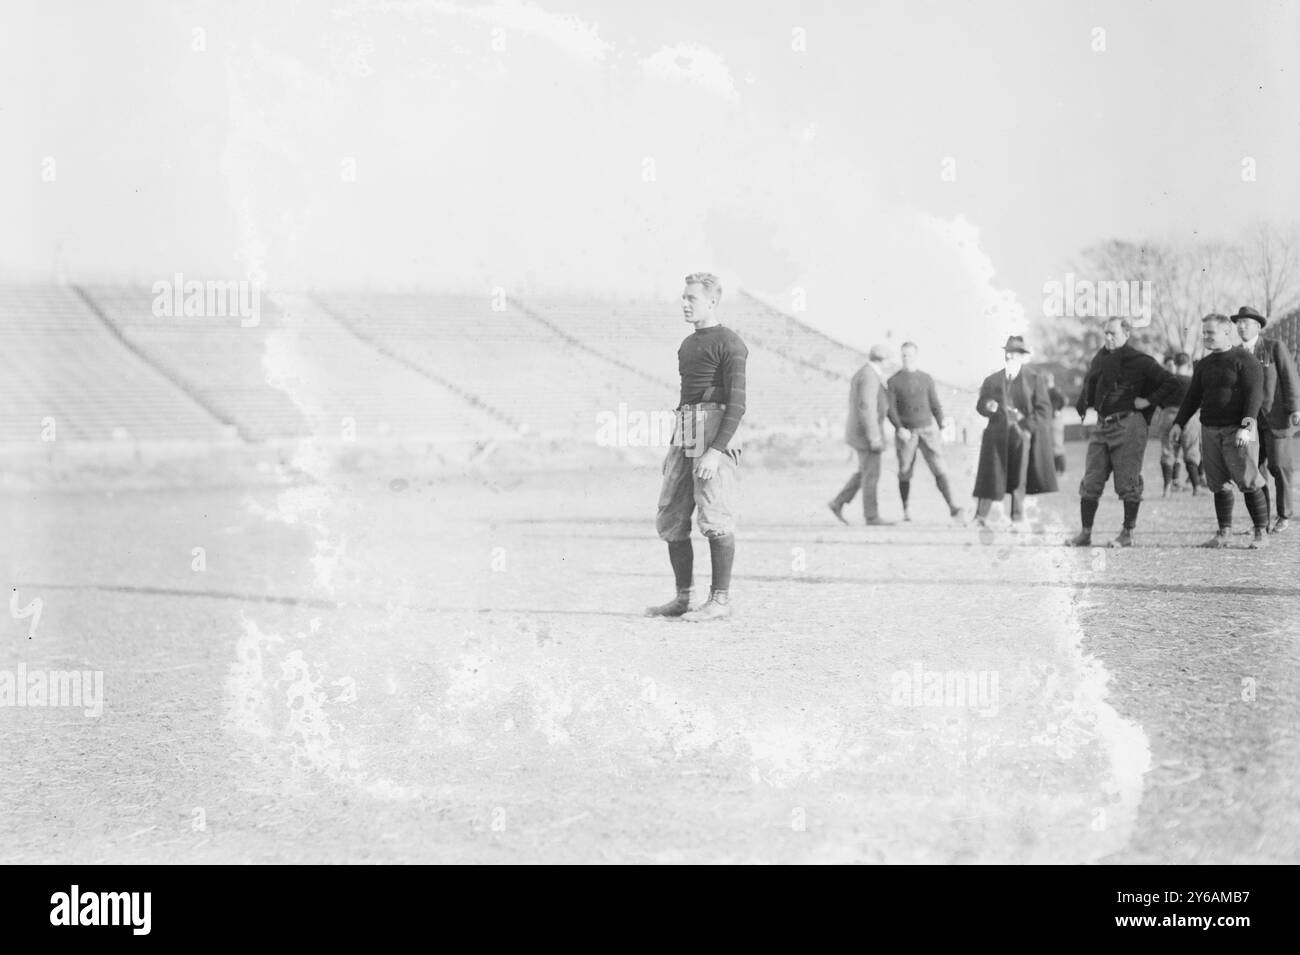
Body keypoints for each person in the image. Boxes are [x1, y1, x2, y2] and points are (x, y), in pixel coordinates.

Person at [646, 272, 748, 621]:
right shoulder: (688, 345)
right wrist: (675, 446)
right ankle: (683, 598)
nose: (685, 304)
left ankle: (719, 601)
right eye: (684, 297)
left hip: (714, 429)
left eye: (692, 298)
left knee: (715, 516)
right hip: (686, 428)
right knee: (671, 516)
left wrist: (715, 451)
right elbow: (686, 398)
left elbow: (737, 404)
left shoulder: (730, 343)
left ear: (712, 301)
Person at [1066, 317, 1180, 547]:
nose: (1108, 338)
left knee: (1128, 482)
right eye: (1106, 333)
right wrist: (1083, 405)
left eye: (1113, 334)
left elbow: (1171, 381)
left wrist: (1148, 401)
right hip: (1101, 425)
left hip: (1129, 426)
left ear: (1126, 334)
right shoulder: (1100, 358)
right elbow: (1090, 384)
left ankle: (1127, 533)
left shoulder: (1140, 360)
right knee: (1091, 481)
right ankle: (1085, 533)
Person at [1169, 313, 1268, 548]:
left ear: (1226, 331)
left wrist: (1247, 426)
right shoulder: (1203, 364)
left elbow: (1254, 396)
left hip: (1239, 430)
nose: (1205, 337)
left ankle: (1261, 533)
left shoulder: (1245, 360)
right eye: (1203, 333)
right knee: (1218, 483)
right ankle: (1224, 533)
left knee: (1249, 480)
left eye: (1210, 332)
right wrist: (1178, 423)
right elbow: (1192, 397)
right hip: (1210, 430)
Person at [972, 336, 1058, 526]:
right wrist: (988, 405)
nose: (1010, 356)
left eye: (1014, 353)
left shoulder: (1034, 379)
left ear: (1022, 356)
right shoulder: (992, 380)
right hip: (996, 435)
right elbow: (980, 404)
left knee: (1020, 477)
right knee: (990, 475)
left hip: (1021, 435)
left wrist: (1027, 427)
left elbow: (1044, 410)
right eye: (1008, 352)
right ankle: (980, 517)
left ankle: (1017, 518)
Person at [1230, 305, 1300, 533]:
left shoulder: (1274, 347)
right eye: (1238, 323)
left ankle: (1284, 515)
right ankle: (1261, 521)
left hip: (1276, 418)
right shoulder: (1235, 354)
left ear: (1257, 327)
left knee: (1279, 466)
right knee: (1254, 471)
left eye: (1246, 323)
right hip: (1249, 422)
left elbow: (1289, 377)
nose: (1241, 327)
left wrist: (1295, 408)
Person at [886, 342, 964, 522]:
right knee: (905, 470)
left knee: (939, 467)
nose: (907, 358)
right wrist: (899, 428)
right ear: (901, 356)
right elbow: (890, 409)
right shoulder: (894, 381)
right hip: (907, 433)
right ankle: (906, 510)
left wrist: (942, 424)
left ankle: (952, 507)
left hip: (928, 430)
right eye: (904, 355)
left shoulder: (926, 378)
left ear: (916, 356)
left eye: (910, 355)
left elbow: (935, 403)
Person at [828, 345, 894, 526]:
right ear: (882, 360)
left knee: (865, 472)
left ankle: (838, 503)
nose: (890, 363)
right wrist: (874, 437)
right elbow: (867, 407)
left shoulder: (867, 373)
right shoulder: (869, 376)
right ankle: (871, 516)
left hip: (862, 434)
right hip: (865, 436)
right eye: (889, 359)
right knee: (871, 475)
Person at [1045, 372, 1068, 476]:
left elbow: (1064, 400)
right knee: (1054, 446)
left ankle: (1062, 470)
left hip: (1055, 421)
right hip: (1052, 420)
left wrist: (1057, 410)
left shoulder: (1053, 391)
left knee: (1057, 445)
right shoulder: (1049, 391)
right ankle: (1057, 469)